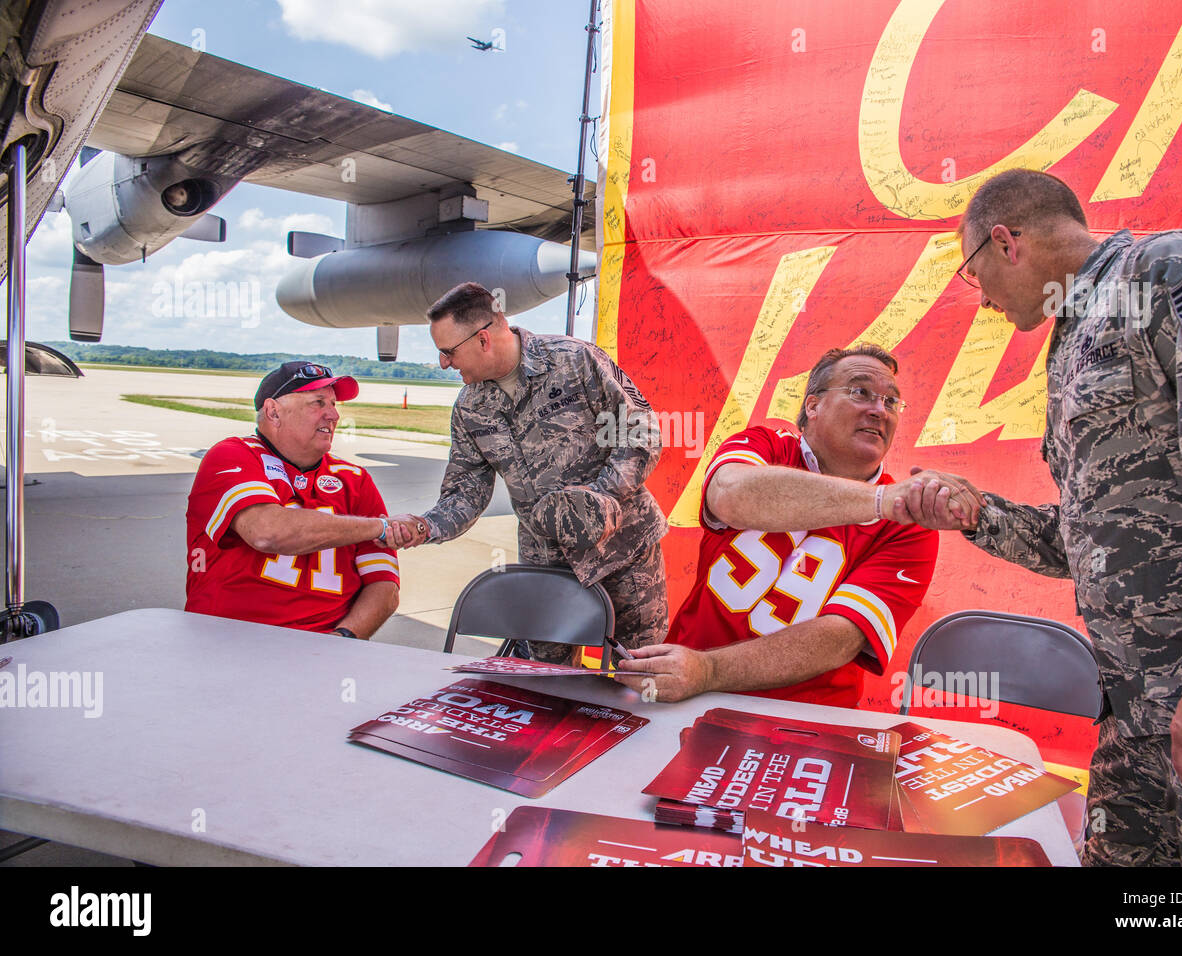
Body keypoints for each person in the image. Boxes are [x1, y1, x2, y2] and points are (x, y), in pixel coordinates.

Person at [905, 168, 1182, 865]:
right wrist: (979, 514)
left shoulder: (1174, 272)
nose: (983, 301)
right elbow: (1102, 539)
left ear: (1006, 242)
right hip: (1143, 716)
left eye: (973, 275)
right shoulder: (1077, 333)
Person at [613, 344, 980, 708]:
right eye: (860, 392)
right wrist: (881, 502)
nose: (879, 410)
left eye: (891, 402)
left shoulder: (909, 526)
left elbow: (840, 638)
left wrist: (708, 670)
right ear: (813, 405)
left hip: (805, 719)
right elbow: (732, 497)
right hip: (680, 691)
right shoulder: (766, 445)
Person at [387, 282, 668, 662]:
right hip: (547, 566)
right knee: (544, 681)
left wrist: (602, 497)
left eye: (448, 352)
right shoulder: (471, 408)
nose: (444, 364)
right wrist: (426, 525)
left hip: (625, 552)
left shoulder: (574, 360)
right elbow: (466, 492)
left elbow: (640, 430)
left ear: (483, 339)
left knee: (640, 672)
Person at [186, 361, 406, 639]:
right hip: (230, 642)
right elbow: (268, 532)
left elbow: (384, 586)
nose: (333, 415)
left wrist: (343, 639)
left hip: (326, 648)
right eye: (318, 402)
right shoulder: (232, 455)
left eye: (334, 404)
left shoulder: (355, 479)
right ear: (273, 411)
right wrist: (379, 527)